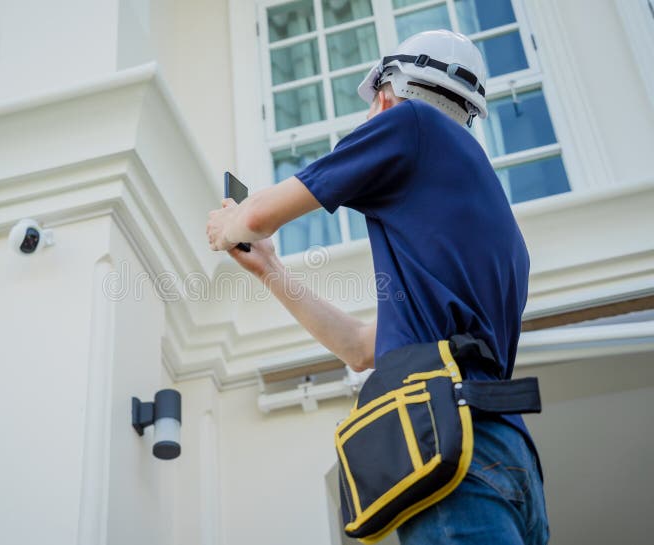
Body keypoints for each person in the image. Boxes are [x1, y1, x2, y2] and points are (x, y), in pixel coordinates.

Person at [206, 29, 548, 544]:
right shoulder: (496, 229)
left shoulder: (410, 123)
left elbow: (256, 217)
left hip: (454, 443)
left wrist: (228, 226)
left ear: (388, 92)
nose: (368, 121)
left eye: (371, 107)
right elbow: (361, 348)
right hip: (508, 452)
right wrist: (269, 270)